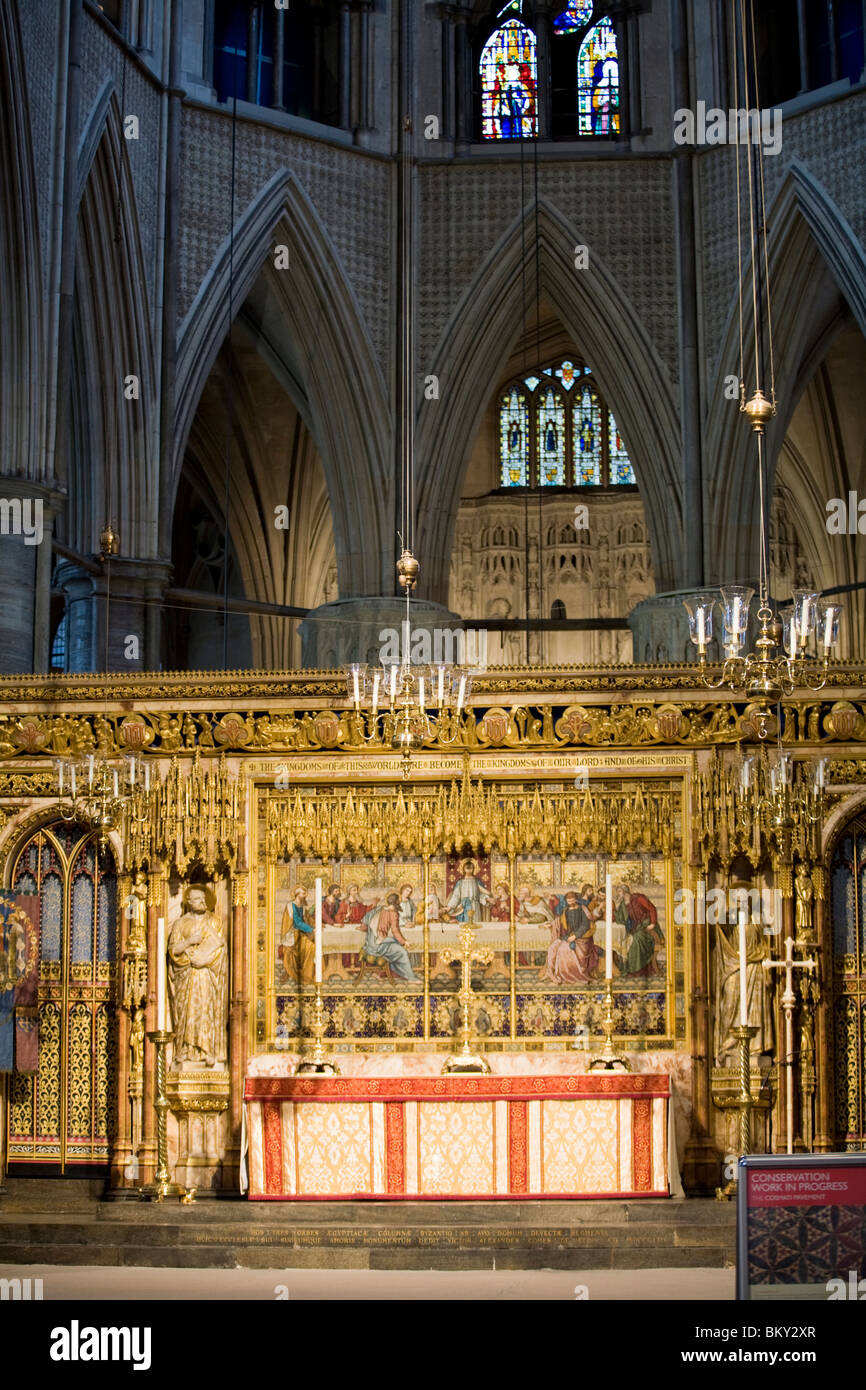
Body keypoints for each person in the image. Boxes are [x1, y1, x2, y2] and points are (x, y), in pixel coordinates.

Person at [168, 885, 228, 1065]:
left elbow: (221, 950)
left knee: (206, 1009)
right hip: (186, 975)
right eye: (197, 899)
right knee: (187, 1012)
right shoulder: (180, 923)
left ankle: (207, 1049)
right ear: (189, 902)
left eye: (203, 898)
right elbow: (173, 950)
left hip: (207, 975)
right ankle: (185, 1050)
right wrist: (189, 941)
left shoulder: (214, 921)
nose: (202, 901)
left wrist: (205, 961)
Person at [545, 890, 600, 984]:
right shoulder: (565, 910)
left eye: (572, 900)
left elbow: (585, 925)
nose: (571, 903)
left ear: (576, 899)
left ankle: (564, 975)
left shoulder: (583, 909)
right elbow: (560, 922)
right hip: (567, 936)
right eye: (568, 901)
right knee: (552, 947)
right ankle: (550, 973)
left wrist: (575, 936)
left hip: (582, 938)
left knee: (563, 949)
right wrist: (551, 924)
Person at [363, 892, 417, 981]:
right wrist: (404, 941)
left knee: (396, 947)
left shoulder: (382, 909)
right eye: (398, 900)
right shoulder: (393, 912)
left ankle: (383, 973)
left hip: (372, 943)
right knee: (402, 952)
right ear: (396, 902)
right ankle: (411, 978)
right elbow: (395, 930)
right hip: (380, 944)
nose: (400, 902)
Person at [614, 885, 663, 978]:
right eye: (618, 892)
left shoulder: (638, 898)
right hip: (633, 928)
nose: (619, 894)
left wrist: (652, 923)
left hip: (647, 926)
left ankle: (638, 970)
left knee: (635, 940)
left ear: (625, 891)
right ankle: (629, 969)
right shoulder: (622, 905)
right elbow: (619, 920)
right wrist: (617, 907)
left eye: (620, 891)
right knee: (626, 940)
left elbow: (652, 908)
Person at [283, 885, 315, 986]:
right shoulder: (291, 906)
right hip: (292, 934)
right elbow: (297, 923)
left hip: (300, 933)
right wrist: (311, 929)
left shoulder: (302, 907)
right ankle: (306, 975)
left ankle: (309, 972)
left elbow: (308, 919)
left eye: (305, 893)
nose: (305, 895)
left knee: (313, 944)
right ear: (297, 895)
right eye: (303, 893)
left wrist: (316, 925)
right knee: (311, 947)